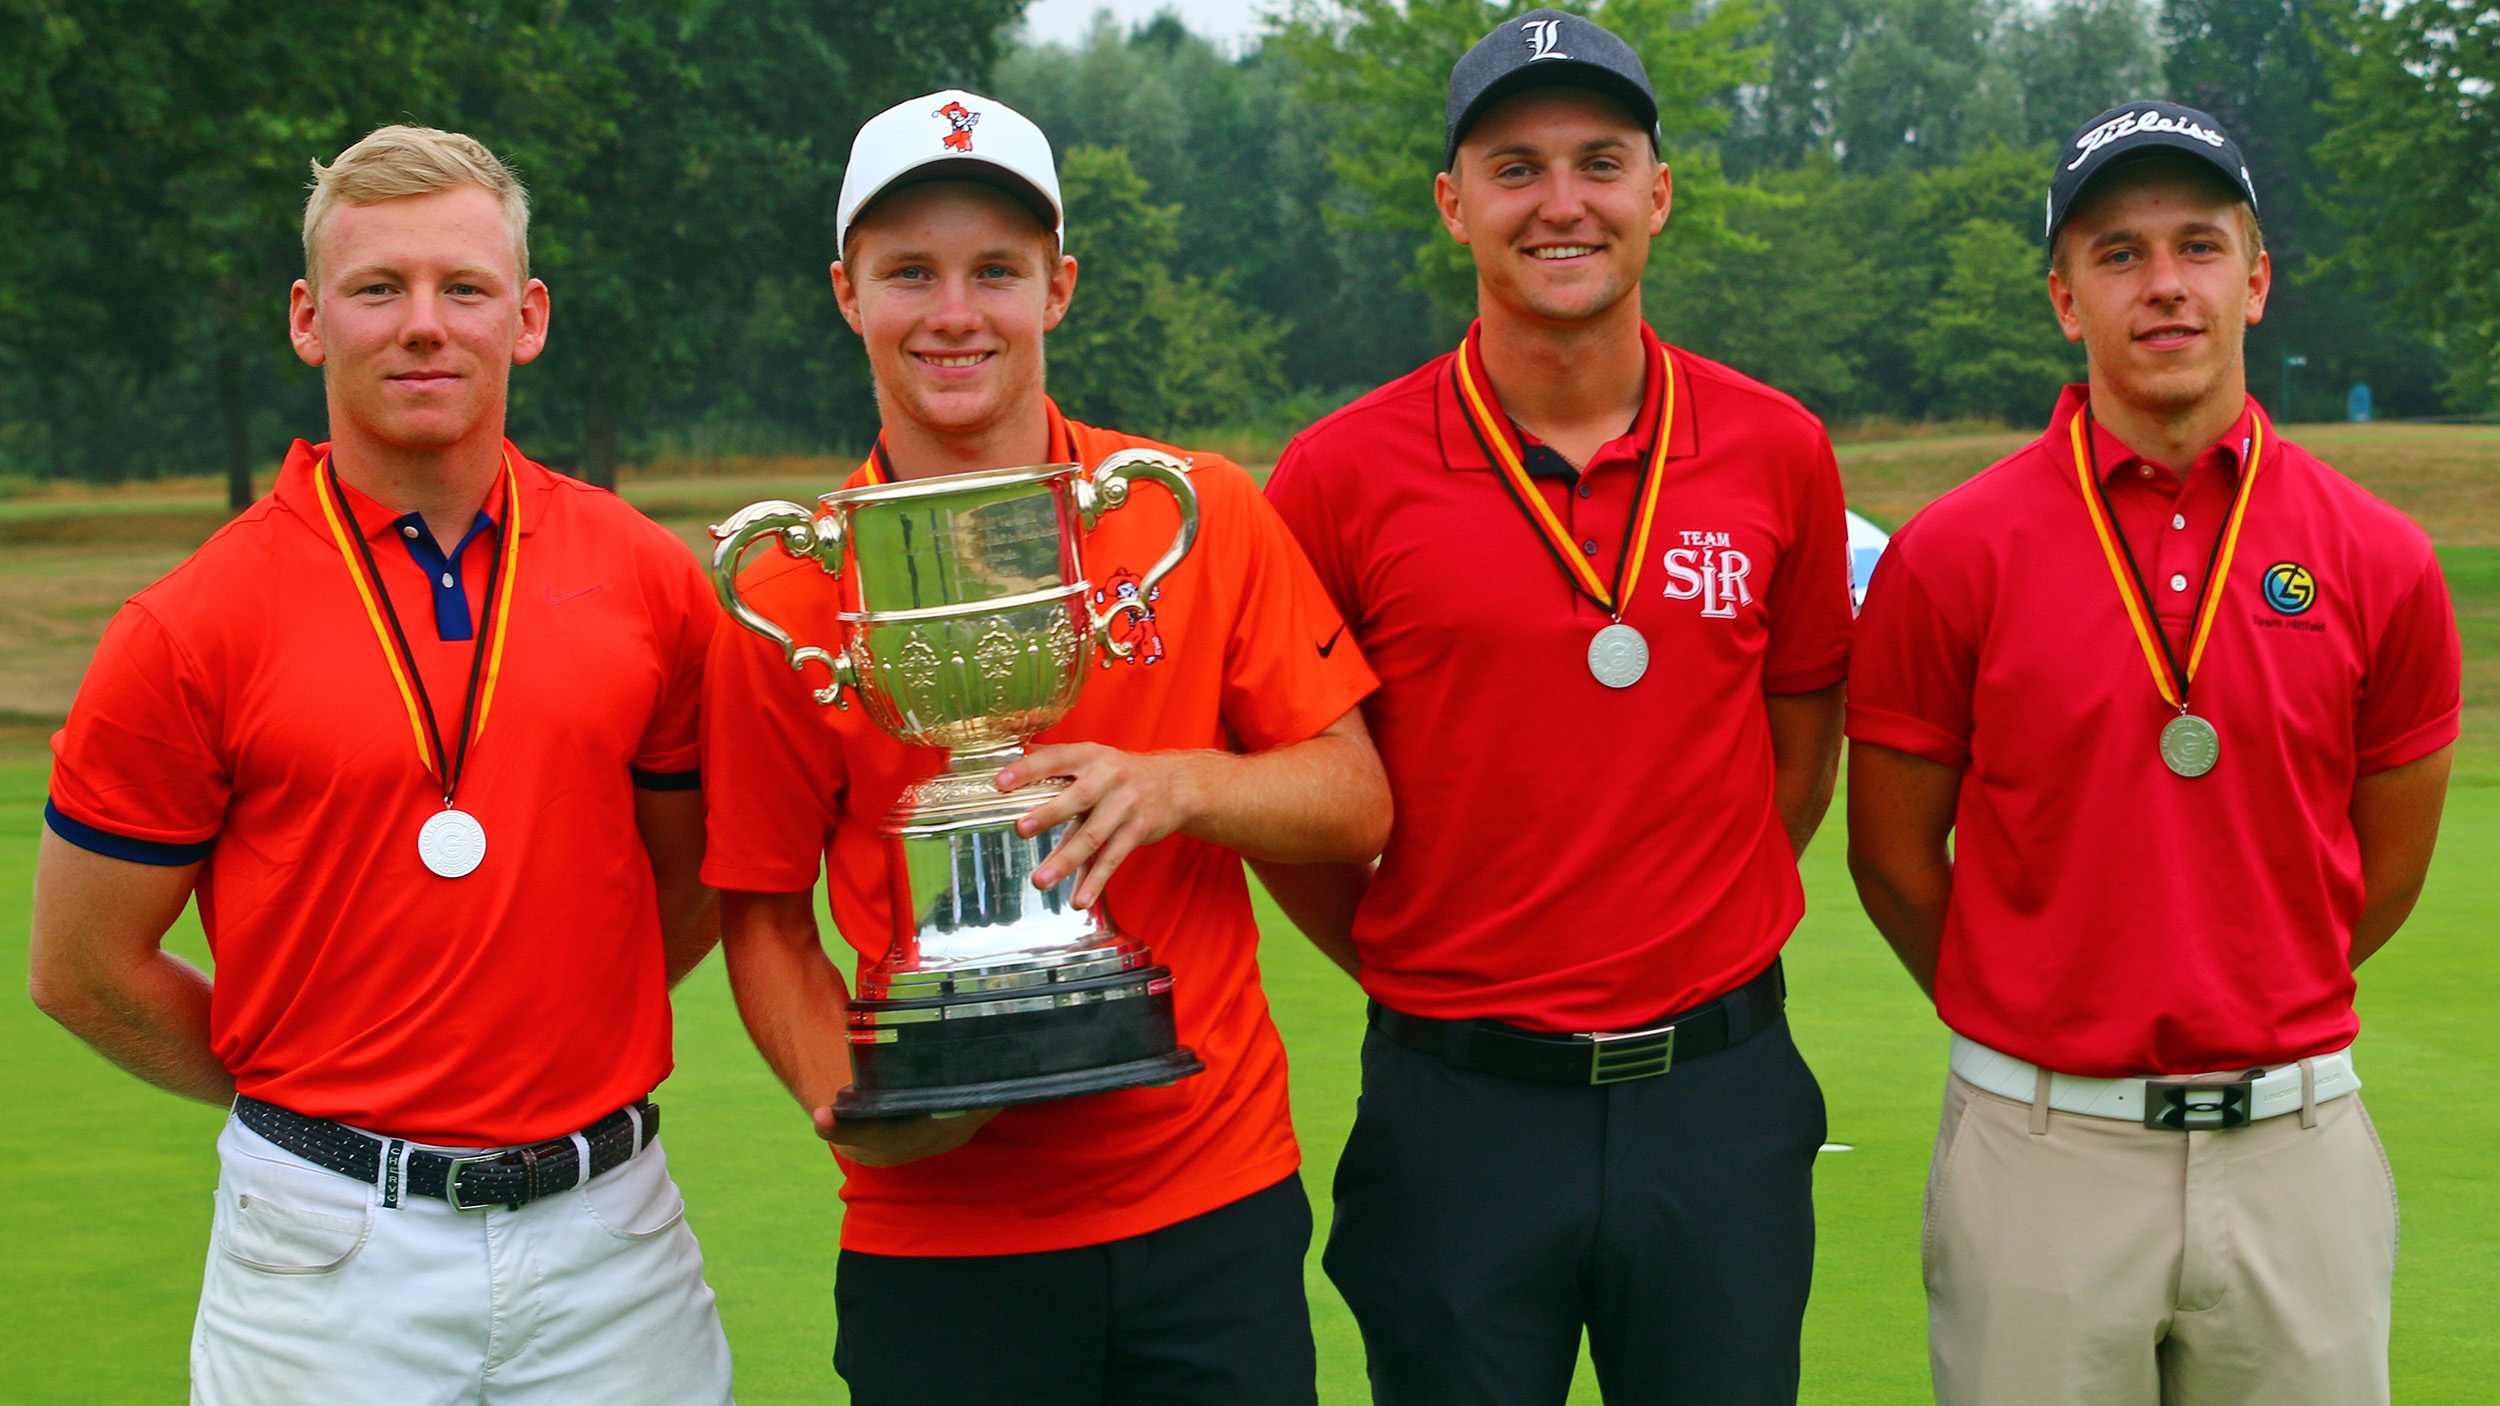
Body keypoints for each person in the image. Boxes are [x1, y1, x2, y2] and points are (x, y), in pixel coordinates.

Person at [700, 91, 1390, 1405]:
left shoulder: (1195, 510)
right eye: (911, 271)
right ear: (848, 293)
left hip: (1211, 1197)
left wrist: (1178, 782)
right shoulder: (788, 584)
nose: (954, 312)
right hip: (939, 1234)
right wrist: (851, 1103)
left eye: (996, 271)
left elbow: (1353, 797)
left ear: (1058, 288)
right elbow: (764, 915)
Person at [26, 126, 733, 1403]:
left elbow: (691, 883)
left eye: (463, 287)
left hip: (613, 1241)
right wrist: (304, 1095)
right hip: (321, 1256)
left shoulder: (648, 577)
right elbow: (82, 967)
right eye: (377, 287)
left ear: (526, 317)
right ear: (309, 319)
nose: (423, 324)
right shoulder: (188, 624)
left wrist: (558, 1023)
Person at [1261, 13, 1855, 1404]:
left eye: (1599, 161)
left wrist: (1684, 925)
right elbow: (1296, 790)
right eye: (1515, 168)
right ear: (1452, 201)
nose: (1561, 202)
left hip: (1718, 1095)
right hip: (1455, 1110)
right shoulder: (1338, 475)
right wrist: (1432, 957)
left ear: (1658, 190)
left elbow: (1799, 741)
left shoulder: (1777, 448)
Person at [1845, 102, 2459, 1405]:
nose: (2164, 283)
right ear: (2065, 299)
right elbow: (1892, 855)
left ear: (2256, 279)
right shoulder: (1952, 554)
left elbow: (2386, 864)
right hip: (2040, 1150)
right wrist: (2038, 1003)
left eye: (2197, 245)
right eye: (2118, 253)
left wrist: (2255, 985)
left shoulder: (2379, 555)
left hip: (2296, 1145)